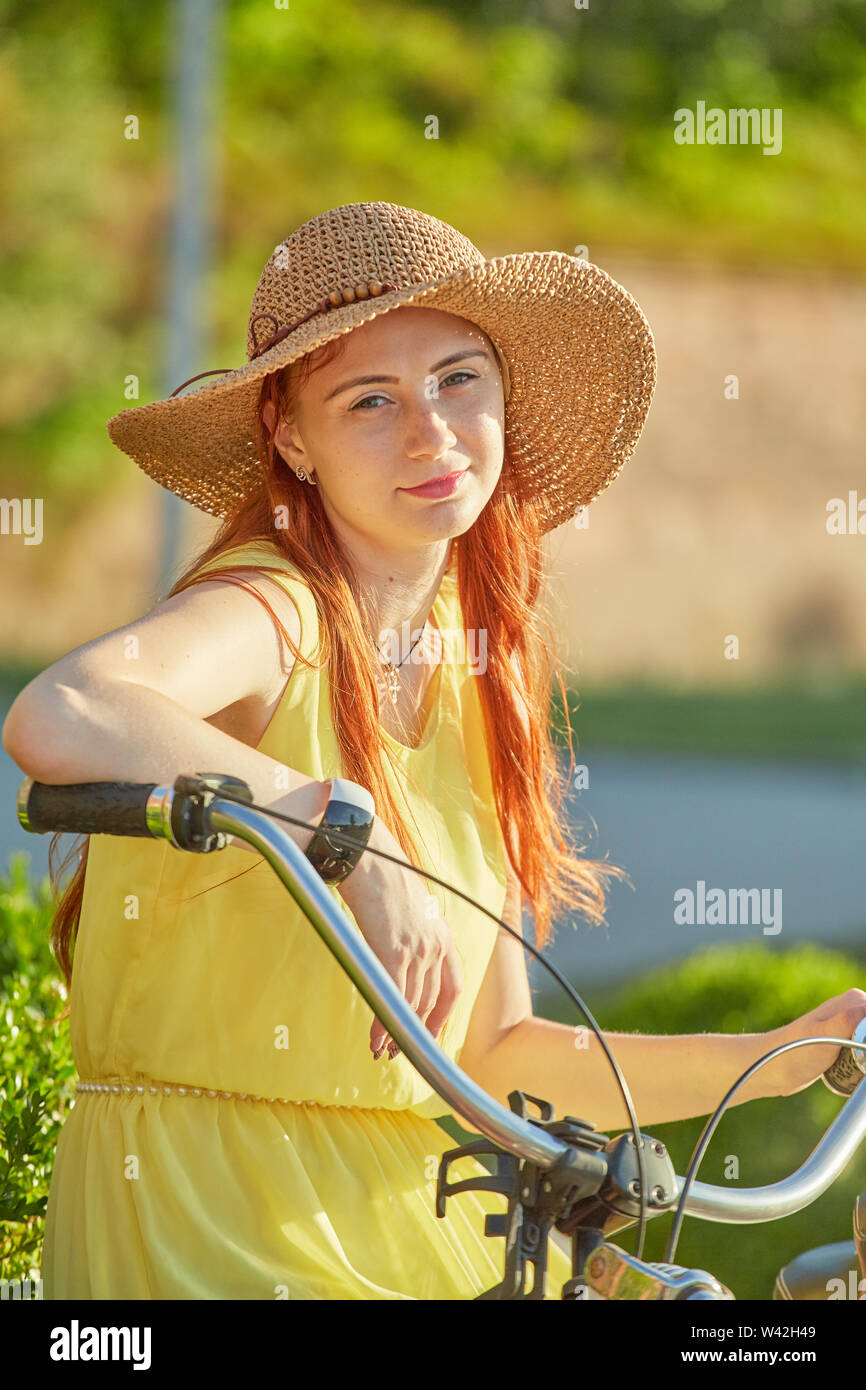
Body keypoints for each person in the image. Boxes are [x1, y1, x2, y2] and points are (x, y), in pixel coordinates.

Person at [4, 201, 864, 1301]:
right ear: (289, 438)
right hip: (216, 1222)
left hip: (409, 1215)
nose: (431, 432)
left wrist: (763, 1066)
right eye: (370, 400)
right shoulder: (274, 608)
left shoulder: (478, 672)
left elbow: (494, 1056)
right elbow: (65, 706)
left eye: (459, 379)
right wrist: (331, 822)